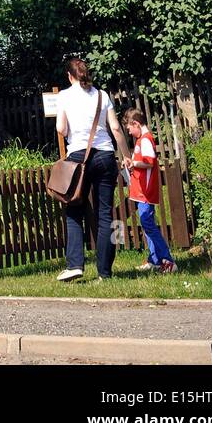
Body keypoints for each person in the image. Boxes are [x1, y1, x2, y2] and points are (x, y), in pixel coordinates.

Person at [55, 57, 128, 282]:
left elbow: (61, 127)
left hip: (79, 157)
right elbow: (115, 128)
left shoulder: (65, 96)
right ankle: (105, 273)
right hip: (105, 156)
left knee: (74, 209)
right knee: (105, 214)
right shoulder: (101, 95)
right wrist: (126, 155)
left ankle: (75, 265)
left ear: (69, 76)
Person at [122, 107, 176, 274]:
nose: (129, 133)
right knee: (147, 225)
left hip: (145, 191)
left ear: (136, 123)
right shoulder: (141, 140)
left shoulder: (145, 140)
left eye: (130, 128)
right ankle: (155, 260)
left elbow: (149, 162)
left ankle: (168, 261)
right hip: (141, 191)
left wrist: (133, 163)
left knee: (148, 224)